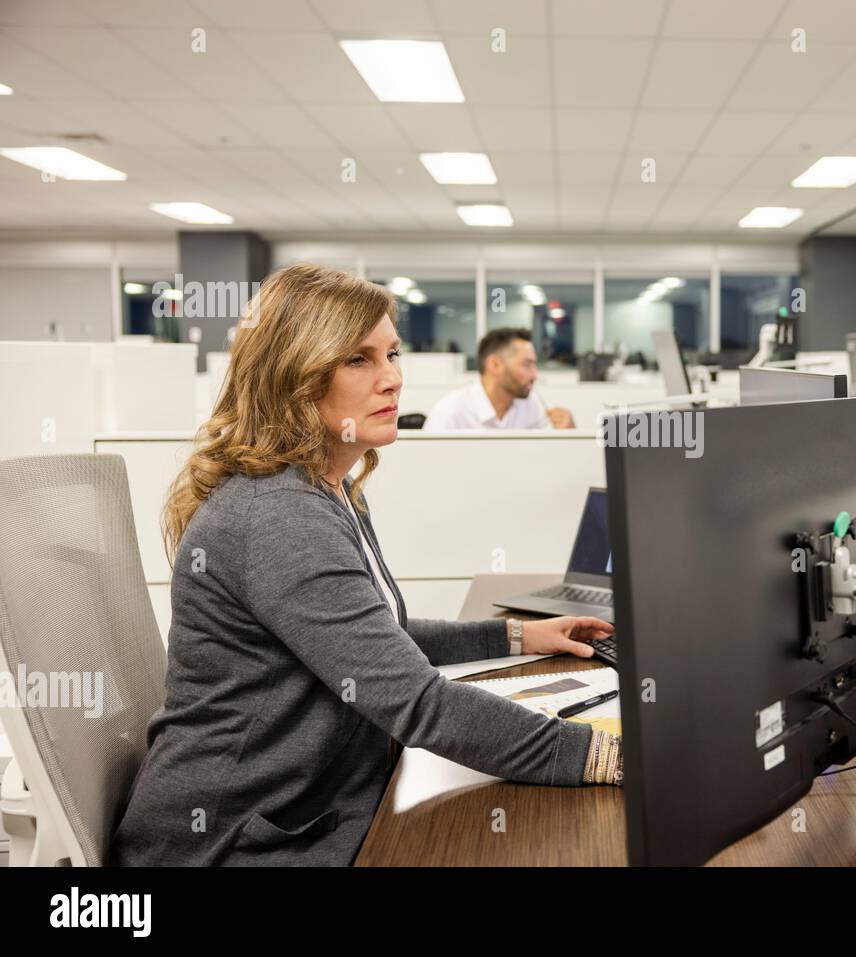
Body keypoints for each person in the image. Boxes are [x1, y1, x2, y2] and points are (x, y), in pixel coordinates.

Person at [110, 264, 619, 867]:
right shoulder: (279, 515)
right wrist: (608, 756)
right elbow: (417, 702)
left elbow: (380, 642)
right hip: (232, 841)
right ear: (292, 375)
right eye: (360, 359)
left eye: (393, 354)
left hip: (303, 807)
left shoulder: (328, 488)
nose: (393, 380)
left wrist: (519, 634)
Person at [424, 328, 575, 430]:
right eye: (527, 364)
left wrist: (568, 435)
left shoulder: (531, 405)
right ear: (495, 364)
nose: (535, 375)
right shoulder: (451, 413)